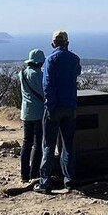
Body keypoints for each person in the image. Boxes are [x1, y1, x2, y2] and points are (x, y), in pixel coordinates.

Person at [35, 30, 80, 193]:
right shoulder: (75, 59)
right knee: (68, 144)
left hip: (53, 108)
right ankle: (69, 180)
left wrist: (50, 104)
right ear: (67, 43)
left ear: (53, 43)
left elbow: (47, 84)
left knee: (48, 144)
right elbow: (77, 72)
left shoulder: (50, 60)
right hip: (71, 106)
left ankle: (45, 182)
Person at [19, 48, 47, 183]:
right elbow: (44, 93)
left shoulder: (22, 74)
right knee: (38, 144)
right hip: (39, 113)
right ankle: (34, 174)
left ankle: (24, 174)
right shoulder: (39, 75)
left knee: (26, 143)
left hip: (26, 112)